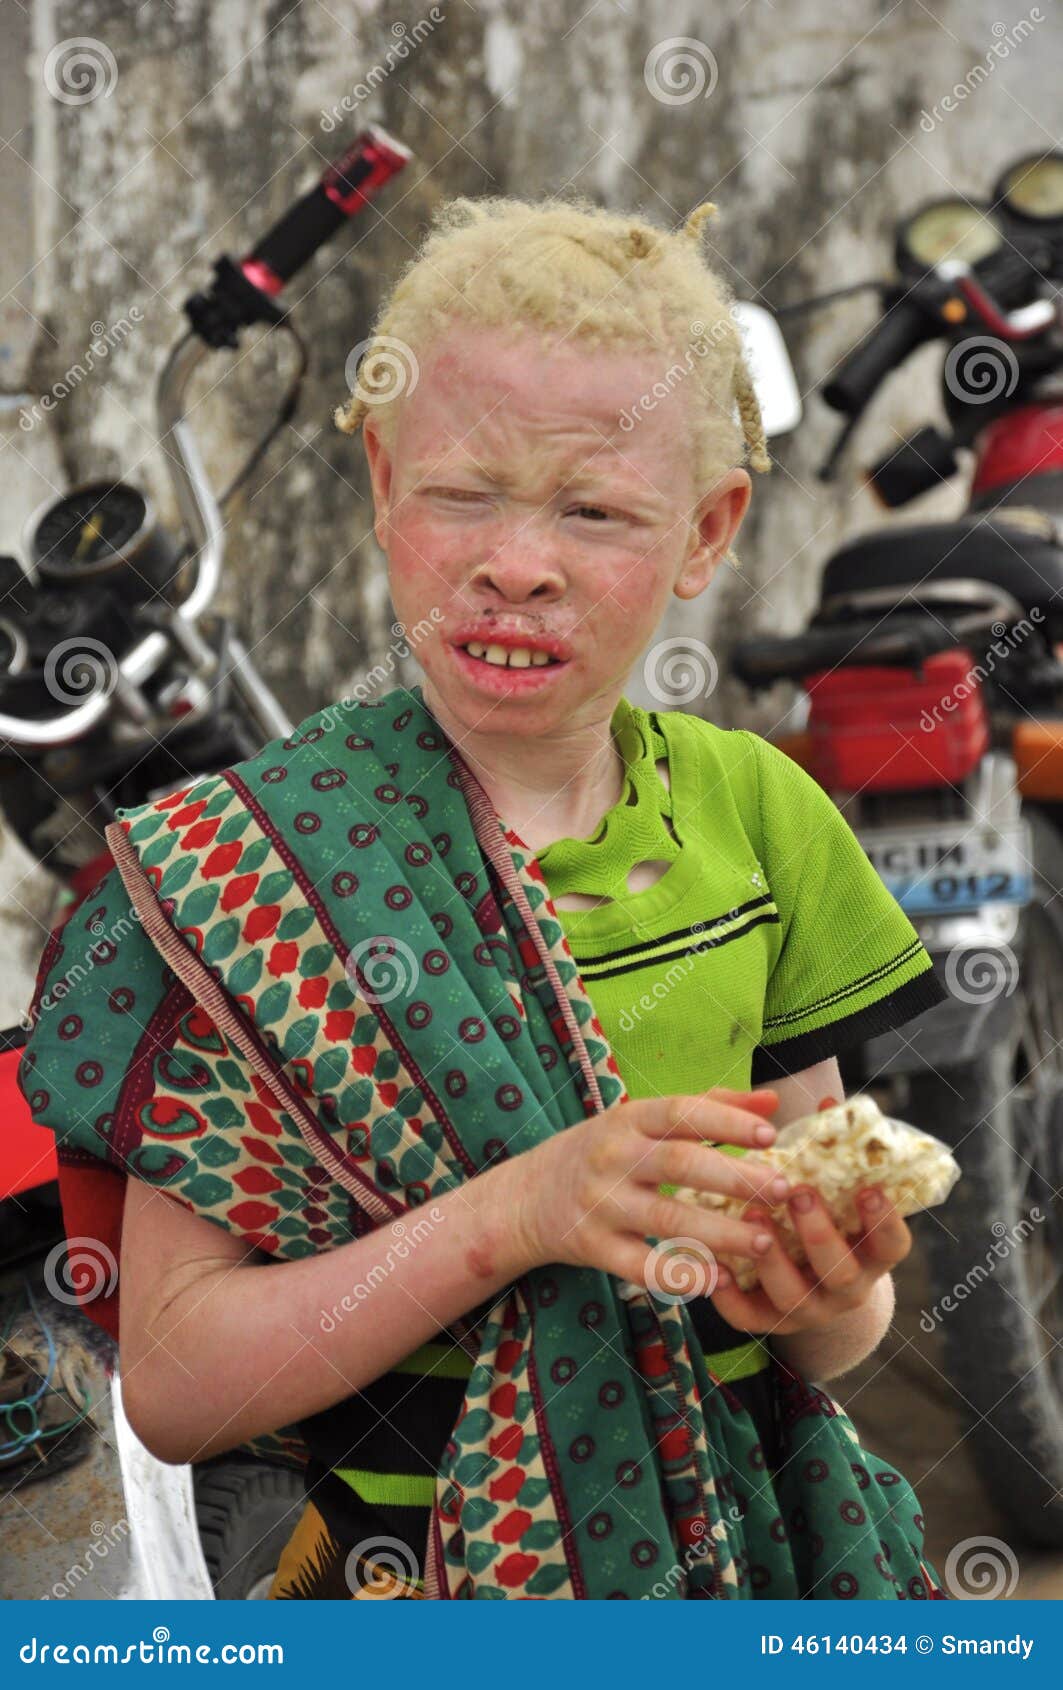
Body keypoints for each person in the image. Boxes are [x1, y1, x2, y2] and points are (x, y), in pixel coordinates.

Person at [18, 193, 950, 1601]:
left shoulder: (762, 821)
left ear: (707, 532)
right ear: (383, 483)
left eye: (596, 510)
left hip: (734, 1564)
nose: (519, 564)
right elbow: (179, 1386)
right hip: (387, 1585)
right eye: (463, 493)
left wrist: (827, 1288)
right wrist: (522, 1214)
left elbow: (835, 1332)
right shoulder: (248, 881)